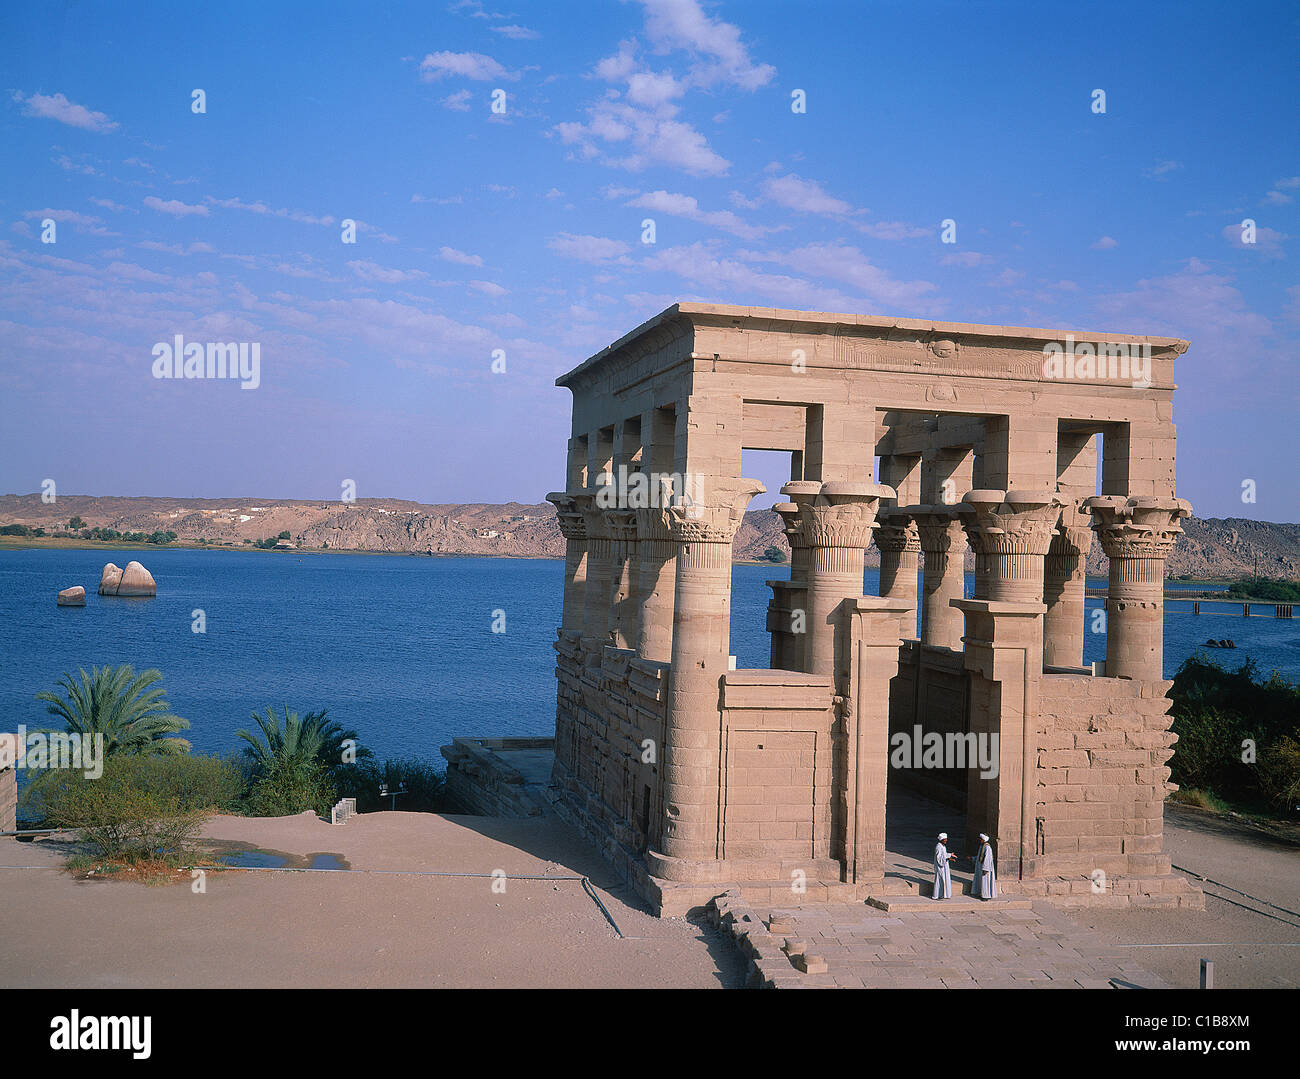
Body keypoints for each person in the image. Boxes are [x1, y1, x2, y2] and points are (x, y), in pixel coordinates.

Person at [973, 832, 997, 900]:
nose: (979, 840)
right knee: (982, 882)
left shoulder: (987, 847)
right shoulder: (982, 846)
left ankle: (986, 896)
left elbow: (987, 859)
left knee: (985, 882)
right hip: (981, 867)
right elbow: (979, 856)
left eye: (980, 839)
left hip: (985, 868)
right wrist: (972, 858)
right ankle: (982, 894)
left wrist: (985, 869)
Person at [932, 832, 956, 899]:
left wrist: (949, 855)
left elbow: (944, 855)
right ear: (941, 839)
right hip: (940, 867)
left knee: (944, 879)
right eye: (945, 839)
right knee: (940, 880)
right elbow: (939, 858)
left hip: (944, 866)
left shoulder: (943, 846)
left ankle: (944, 895)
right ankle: (937, 895)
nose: (946, 840)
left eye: (946, 839)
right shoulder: (938, 847)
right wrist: (948, 857)